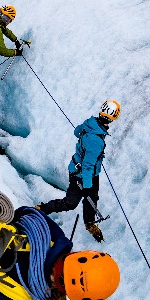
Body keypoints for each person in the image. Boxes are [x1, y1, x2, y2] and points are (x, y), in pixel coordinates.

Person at [37, 99, 121, 242]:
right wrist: (87, 186)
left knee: (91, 199)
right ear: (114, 118)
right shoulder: (96, 140)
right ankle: (43, 209)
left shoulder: (91, 123)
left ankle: (89, 223)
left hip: (81, 171)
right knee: (72, 202)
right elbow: (88, 165)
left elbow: (77, 132)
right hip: (83, 175)